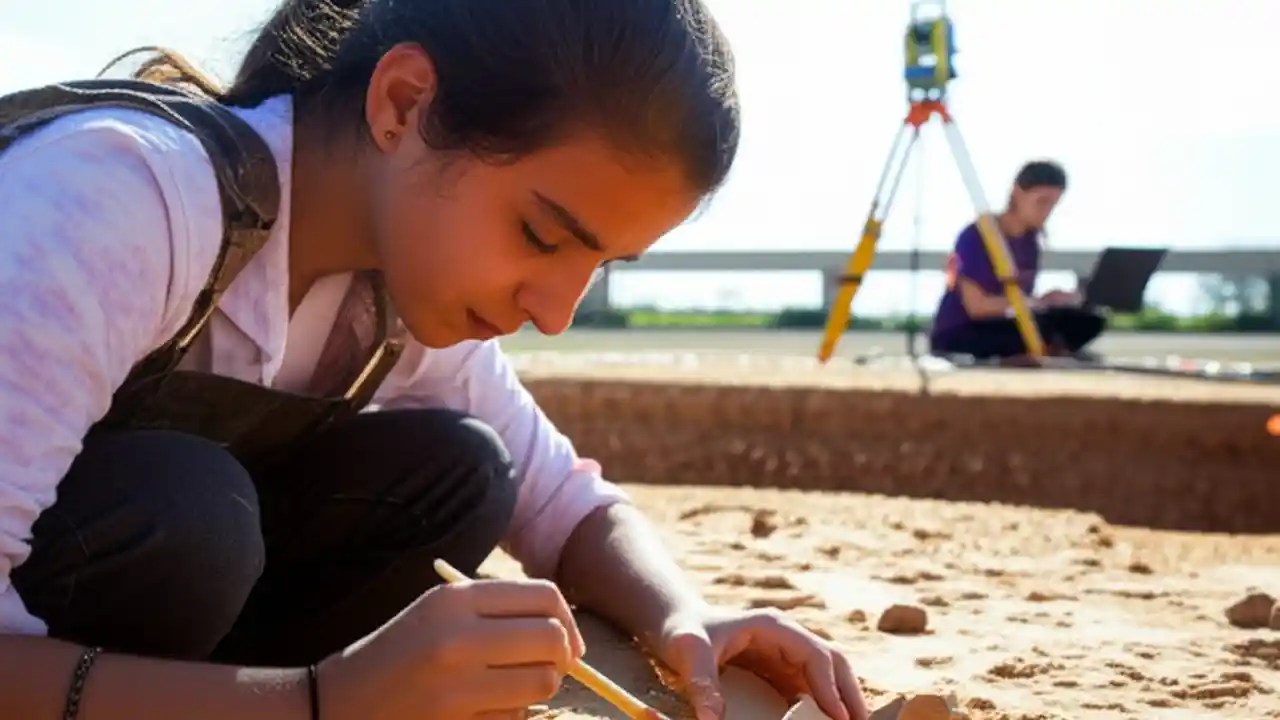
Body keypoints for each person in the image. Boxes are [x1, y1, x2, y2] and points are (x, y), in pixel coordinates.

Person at [0, 1, 870, 719]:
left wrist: (683, 616)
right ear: (404, 103)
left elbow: (568, 508)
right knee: (192, 517)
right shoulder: (120, 200)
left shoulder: (394, 293)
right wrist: (321, 701)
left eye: (597, 267)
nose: (555, 313)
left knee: (460, 472)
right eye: (540, 235)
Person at [928, 160, 1106, 361]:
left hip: (1007, 322)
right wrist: (1039, 303)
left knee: (1087, 320)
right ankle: (1046, 351)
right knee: (1042, 328)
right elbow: (977, 307)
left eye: (1052, 205)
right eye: (1041, 202)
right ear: (1018, 193)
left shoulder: (1030, 242)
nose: (1046, 211)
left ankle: (1052, 349)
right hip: (964, 331)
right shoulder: (978, 235)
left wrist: (1052, 301)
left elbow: (1019, 302)